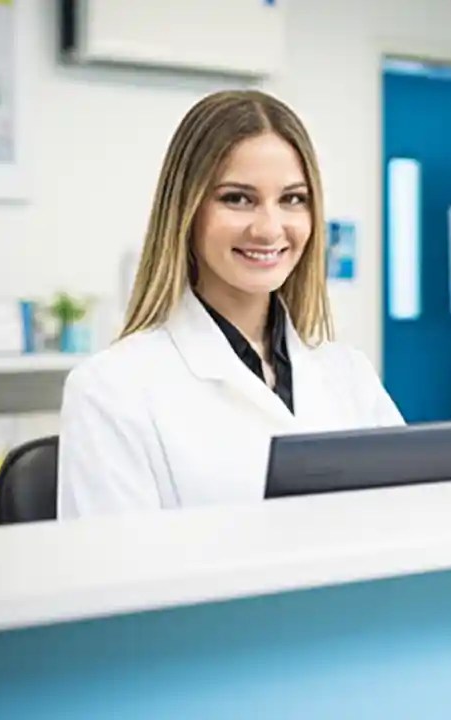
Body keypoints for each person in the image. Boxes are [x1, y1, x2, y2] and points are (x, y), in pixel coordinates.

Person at [56, 90, 404, 519]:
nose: (269, 228)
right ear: (186, 209)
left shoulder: (348, 374)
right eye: (238, 198)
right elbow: (113, 578)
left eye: (292, 199)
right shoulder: (110, 390)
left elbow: (404, 521)